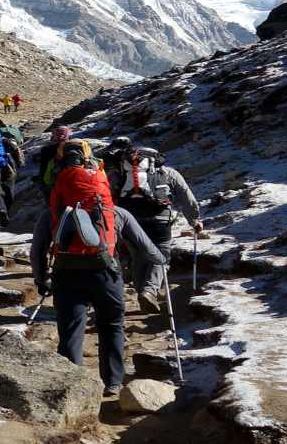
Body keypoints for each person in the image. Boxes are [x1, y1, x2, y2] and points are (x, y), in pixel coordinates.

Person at [31, 140, 166, 396]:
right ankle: (113, 382)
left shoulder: (53, 214)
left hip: (66, 273)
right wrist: (161, 262)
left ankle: (72, 386)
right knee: (112, 326)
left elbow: (37, 249)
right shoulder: (114, 212)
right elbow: (147, 250)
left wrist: (40, 279)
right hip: (106, 273)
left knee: (71, 327)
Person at [100, 141, 204, 313]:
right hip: (159, 221)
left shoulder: (119, 174)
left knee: (138, 257)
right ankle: (149, 291)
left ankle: (144, 293)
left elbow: (106, 195)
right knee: (161, 257)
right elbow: (187, 197)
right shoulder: (168, 173)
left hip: (129, 221)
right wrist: (194, 220)